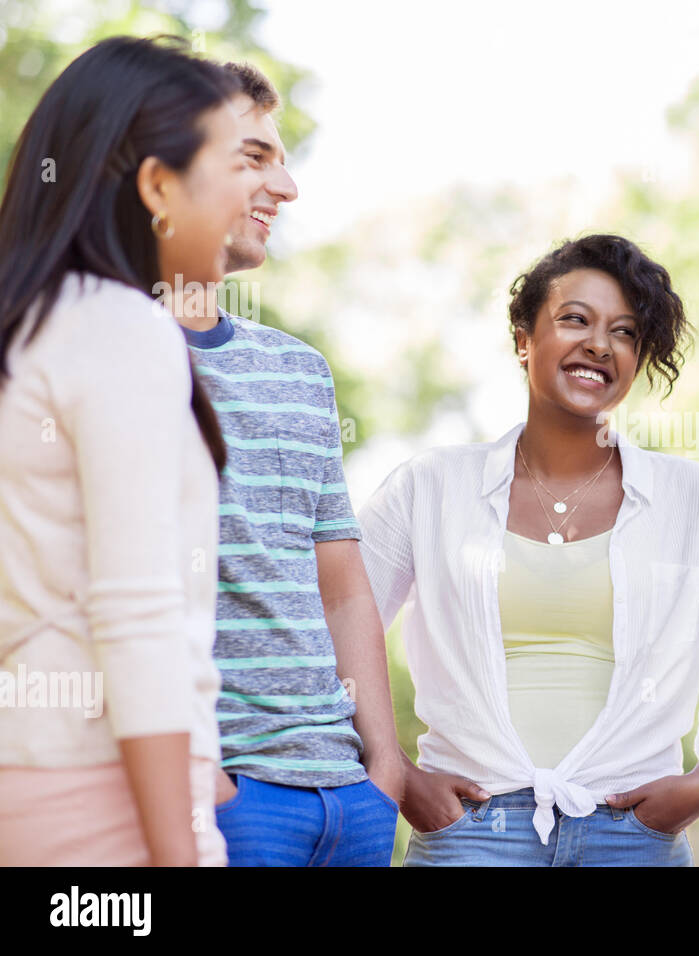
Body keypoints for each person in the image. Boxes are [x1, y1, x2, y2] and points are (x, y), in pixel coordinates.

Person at [358, 234, 699, 866]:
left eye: (624, 332)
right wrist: (401, 775)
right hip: (470, 830)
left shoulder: (695, 501)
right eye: (575, 320)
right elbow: (336, 633)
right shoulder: (429, 487)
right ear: (525, 339)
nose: (599, 344)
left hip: (634, 833)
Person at [0, 36, 260, 865]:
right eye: (233, 166)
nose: (251, 193)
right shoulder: (120, 327)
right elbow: (135, 611)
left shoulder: (29, 326)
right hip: (104, 799)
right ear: (157, 185)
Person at [170, 62, 403, 866]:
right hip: (220, 795)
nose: (288, 187)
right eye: (255, 158)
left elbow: (339, 582)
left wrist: (385, 770)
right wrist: (198, 777)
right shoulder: (82, 353)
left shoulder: (300, 371)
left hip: (348, 802)